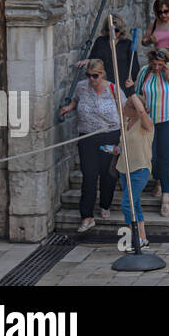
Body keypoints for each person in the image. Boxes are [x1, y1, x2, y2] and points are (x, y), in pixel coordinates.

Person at [58, 58, 121, 233]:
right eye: (89, 76)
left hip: (110, 136)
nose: (91, 80)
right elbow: (76, 99)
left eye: (95, 76)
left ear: (103, 74)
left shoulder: (113, 89)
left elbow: (125, 110)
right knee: (89, 176)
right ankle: (86, 216)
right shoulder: (82, 86)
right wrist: (69, 107)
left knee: (107, 174)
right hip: (87, 137)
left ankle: (105, 204)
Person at [135, 49, 169, 216]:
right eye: (154, 64)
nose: (157, 68)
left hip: (168, 121)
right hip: (147, 122)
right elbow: (137, 95)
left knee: (165, 158)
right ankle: (158, 179)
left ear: (167, 63)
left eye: (160, 65)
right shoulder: (144, 72)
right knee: (151, 156)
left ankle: (166, 197)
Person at [116, 94, 155, 251]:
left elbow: (141, 111)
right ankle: (142, 239)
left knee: (127, 204)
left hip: (140, 169)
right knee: (135, 204)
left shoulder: (146, 123)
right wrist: (116, 149)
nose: (124, 108)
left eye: (127, 106)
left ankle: (134, 239)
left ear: (134, 109)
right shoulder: (126, 121)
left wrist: (132, 92)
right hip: (124, 168)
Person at [84, 14, 136, 95]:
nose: (113, 33)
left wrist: (133, 84)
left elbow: (135, 67)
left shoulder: (128, 44)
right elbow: (92, 59)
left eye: (116, 30)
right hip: (102, 83)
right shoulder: (100, 41)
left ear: (121, 30)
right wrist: (87, 61)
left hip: (122, 84)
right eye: (109, 30)